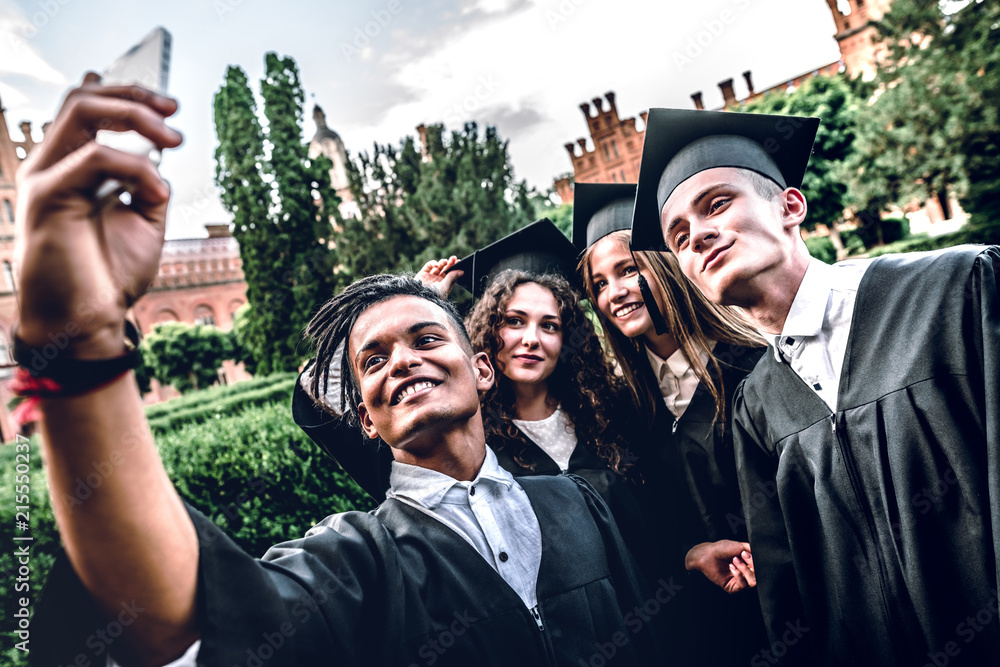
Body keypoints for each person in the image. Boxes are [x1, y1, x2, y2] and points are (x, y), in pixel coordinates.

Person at [18, 76, 664, 667]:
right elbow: (183, 619)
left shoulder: (581, 501)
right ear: (366, 419)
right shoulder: (352, 559)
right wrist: (77, 343)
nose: (404, 359)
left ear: (482, 370)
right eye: (374, 359)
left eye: (426, 336)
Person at [629, 106, 1000, 666]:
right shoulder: (757, 408)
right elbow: (790, 600)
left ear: (790, 207)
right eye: (678, 236)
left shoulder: (951, 293)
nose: (698, 235)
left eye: (717, 204)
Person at [296, 220, 652, 577]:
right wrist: (418, 302)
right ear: (485, 337)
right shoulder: (458, 437)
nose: (531, 338)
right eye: (514, 321)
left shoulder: (610, 411)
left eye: (550, 325)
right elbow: (320, 386)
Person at [574, 182, 768, 665]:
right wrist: (689, 553)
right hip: (703, 625)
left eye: (628, 270)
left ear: (663, 266)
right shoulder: (624, 407)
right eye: (599, 285)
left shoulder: (753, 363)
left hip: (790, 591)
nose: (614, 293)